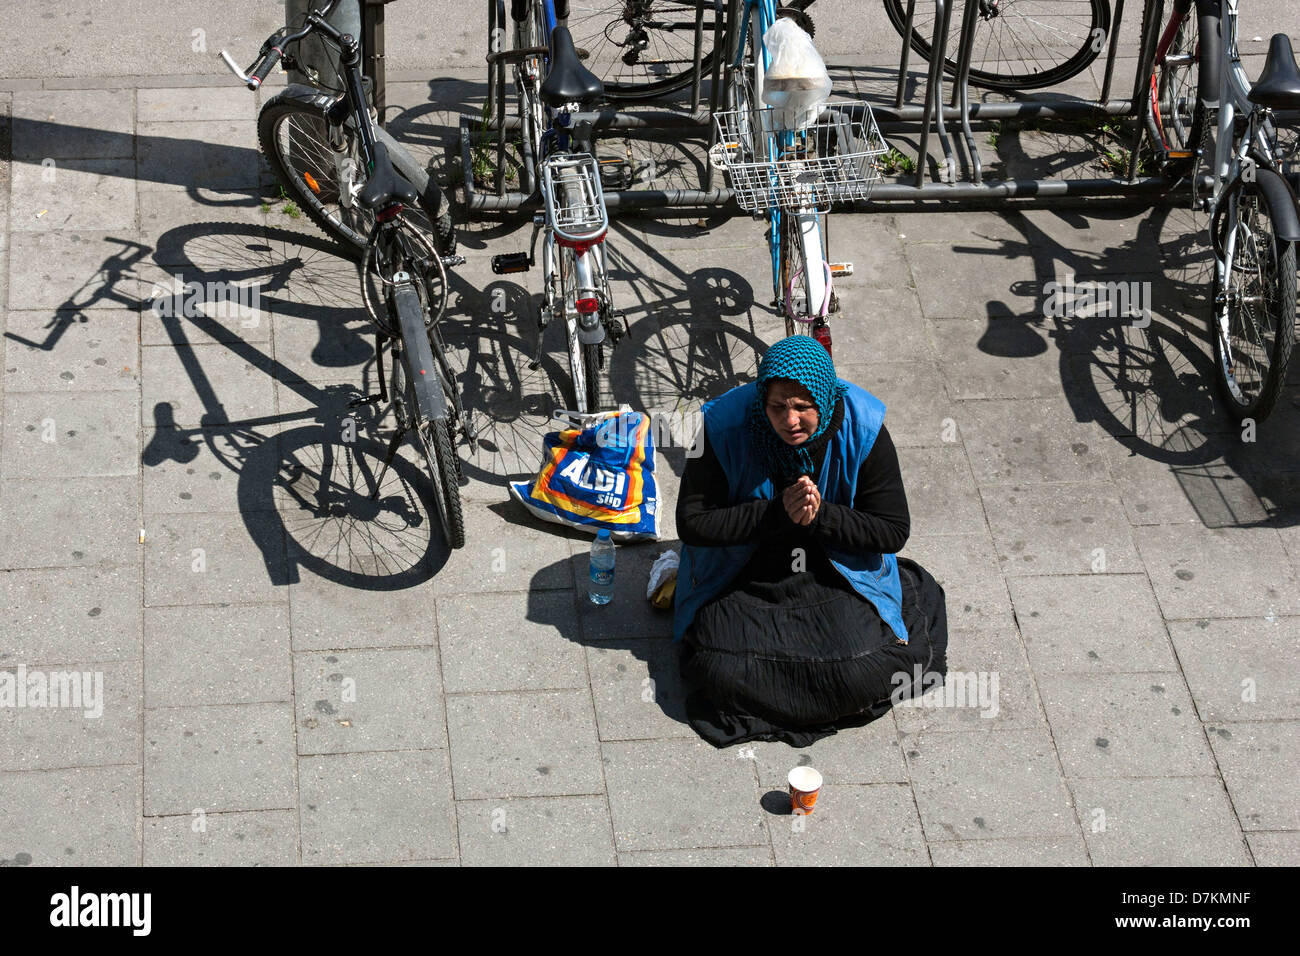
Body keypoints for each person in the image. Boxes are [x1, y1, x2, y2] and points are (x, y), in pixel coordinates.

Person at [674, 335, 949, 747]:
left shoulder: (863, 425)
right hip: (746, 572)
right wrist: (775, 514)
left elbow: (893, 530)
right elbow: (693, 523)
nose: (790, 422)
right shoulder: (721, 425)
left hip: (832, 570)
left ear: (825, 399)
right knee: (719, 670)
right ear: (760, 402)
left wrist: (823, 517)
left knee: (860, 667)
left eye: (804, 407)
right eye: (777, 407)